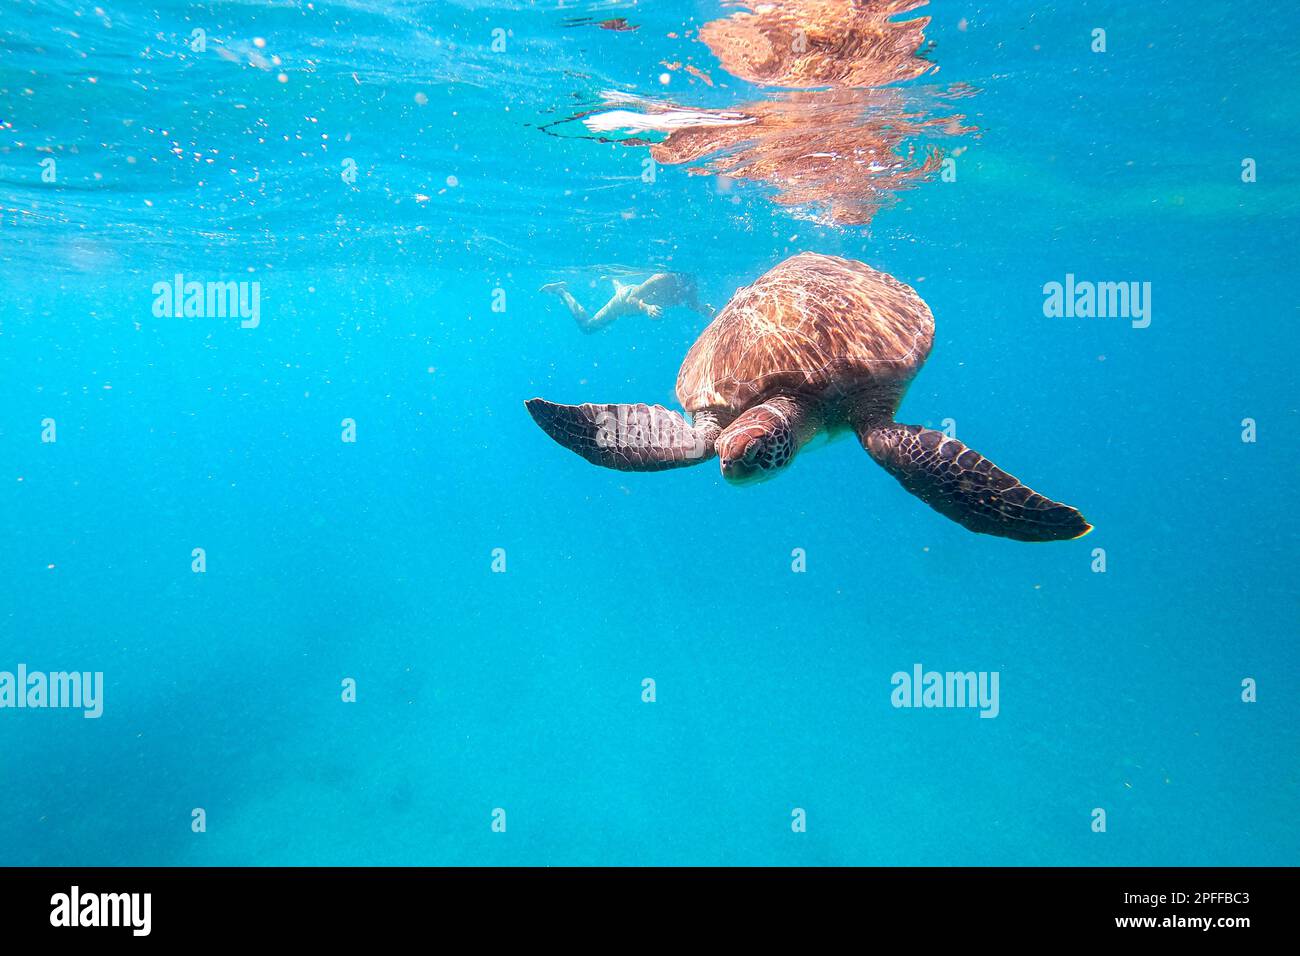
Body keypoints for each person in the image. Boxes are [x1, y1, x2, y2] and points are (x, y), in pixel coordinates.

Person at [540, 272, 713, 333]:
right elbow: (632, 298)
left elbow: (691, 302)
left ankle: (613, 279)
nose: (686, 282)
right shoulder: (661, 278)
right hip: (625, 301)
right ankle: (561, 290)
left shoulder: (690, 282)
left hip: (632, 295)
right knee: (588, 327)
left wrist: (702, 309)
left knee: (625, 290)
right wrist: (647, 308)